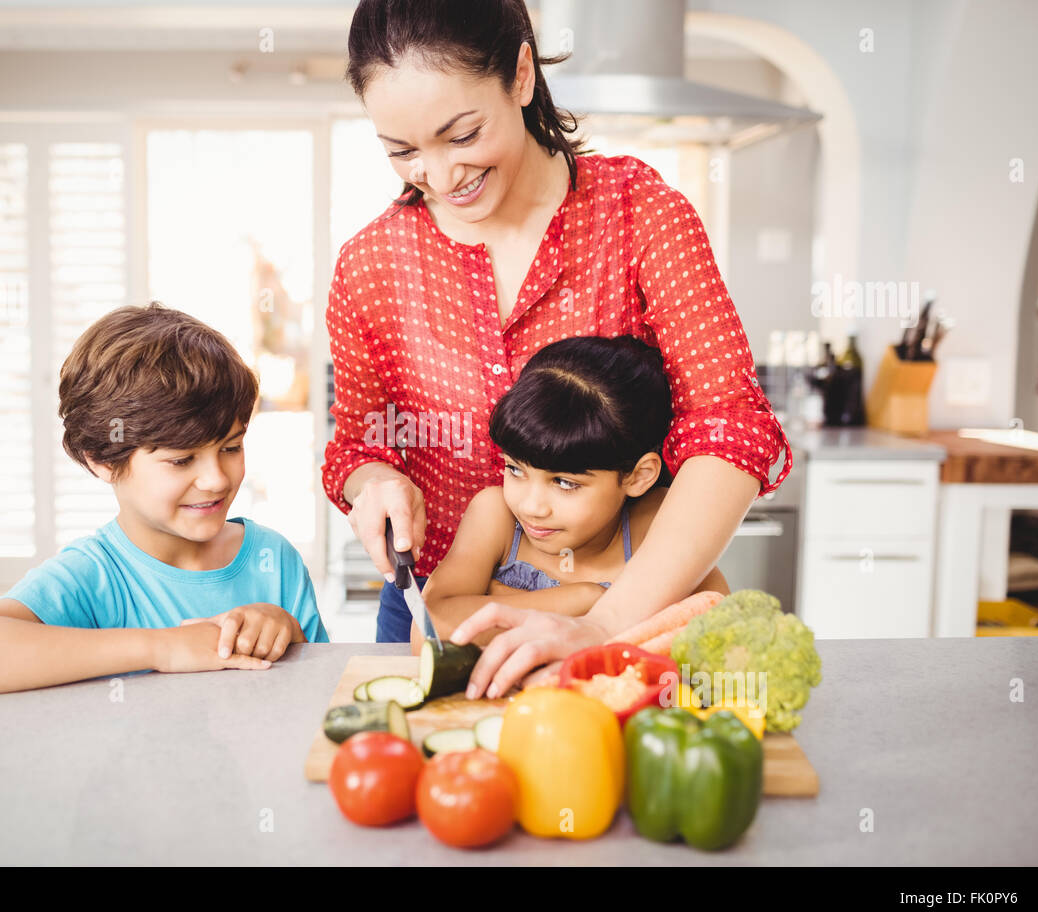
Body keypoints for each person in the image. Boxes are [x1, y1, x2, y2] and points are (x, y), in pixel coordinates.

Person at [323, 0, 790, 690]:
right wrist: (378, 483)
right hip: (444, 620)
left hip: (627, 612)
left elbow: (729, 429)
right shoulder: (369, 267)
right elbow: (359, 447)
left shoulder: (641, 216)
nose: (441, 176)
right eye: (403, 151)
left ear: (519, 75)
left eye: (461, 134)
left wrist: (604, 627)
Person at [0, 303, 328, 696]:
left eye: (231, 447)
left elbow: (322, 695)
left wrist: (287, 631)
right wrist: (163, 646)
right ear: (102, 459)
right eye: (181, 459)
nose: (216, 479)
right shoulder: (94, 576)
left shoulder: (274, 560)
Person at [415, 336, 728, 673]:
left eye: (565, 483)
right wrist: (587, 599)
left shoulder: (660, 520)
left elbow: (719, 634)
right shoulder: (497, 516)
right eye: (515, 469)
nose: (532, 506)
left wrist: (501, 604)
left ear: (638, 477)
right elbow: (425, 631)